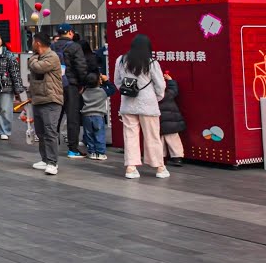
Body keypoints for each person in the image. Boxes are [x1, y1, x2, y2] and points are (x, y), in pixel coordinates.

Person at [115, 34, 168, 179]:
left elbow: (117, 82)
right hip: (148, 104)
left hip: (128, 103)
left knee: (130, 135)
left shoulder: (121, 60)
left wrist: (127, 92)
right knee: (152, 136)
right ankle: (159, 167)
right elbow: (160, 85)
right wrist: (157, 97)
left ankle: (131, 168)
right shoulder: (151, 62)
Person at [51, 24, 90, 159]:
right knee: (72, 117)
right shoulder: (74, 46)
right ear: (70, 33)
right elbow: (81, 67)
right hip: (71, 86)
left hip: (54, 86)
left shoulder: (52, 47)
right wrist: (82, 83)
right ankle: (73, 149)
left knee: (55, 116)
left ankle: (52, 146)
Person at [27, 32, 64, 176]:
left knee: (50, 132)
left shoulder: (52, 57)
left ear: (37, 43)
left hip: (51, 99)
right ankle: (44, 159)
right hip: (38, 99)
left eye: (32, 42)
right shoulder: (38, 57)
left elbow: (38, 67)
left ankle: (52, 163)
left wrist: (33, 58)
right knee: (40, 132)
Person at [0, 32, 25, 140]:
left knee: (5, 110)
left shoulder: (9, 55)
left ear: (2, 41)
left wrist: (18, 89)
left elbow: (15, 72)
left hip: (6, 86)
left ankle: (5, 131)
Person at [78, 39, 110, 161]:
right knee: (99, 134)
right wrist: (106, 81)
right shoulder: (102, 92)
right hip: (98, 116)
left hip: (86, 116)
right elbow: (112, 89)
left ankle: (91, 152)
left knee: (89, 135)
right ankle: (101, 152)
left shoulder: (84, 91)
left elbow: (80, 94)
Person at [160, 71, 186, 166]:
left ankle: (161, 158)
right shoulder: (167, 94)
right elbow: (174, 90)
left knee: (159, 140)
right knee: (173, 139)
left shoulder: (153, 96)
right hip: (171, 121)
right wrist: (170, 80)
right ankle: (177, 157)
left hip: (159, 121)